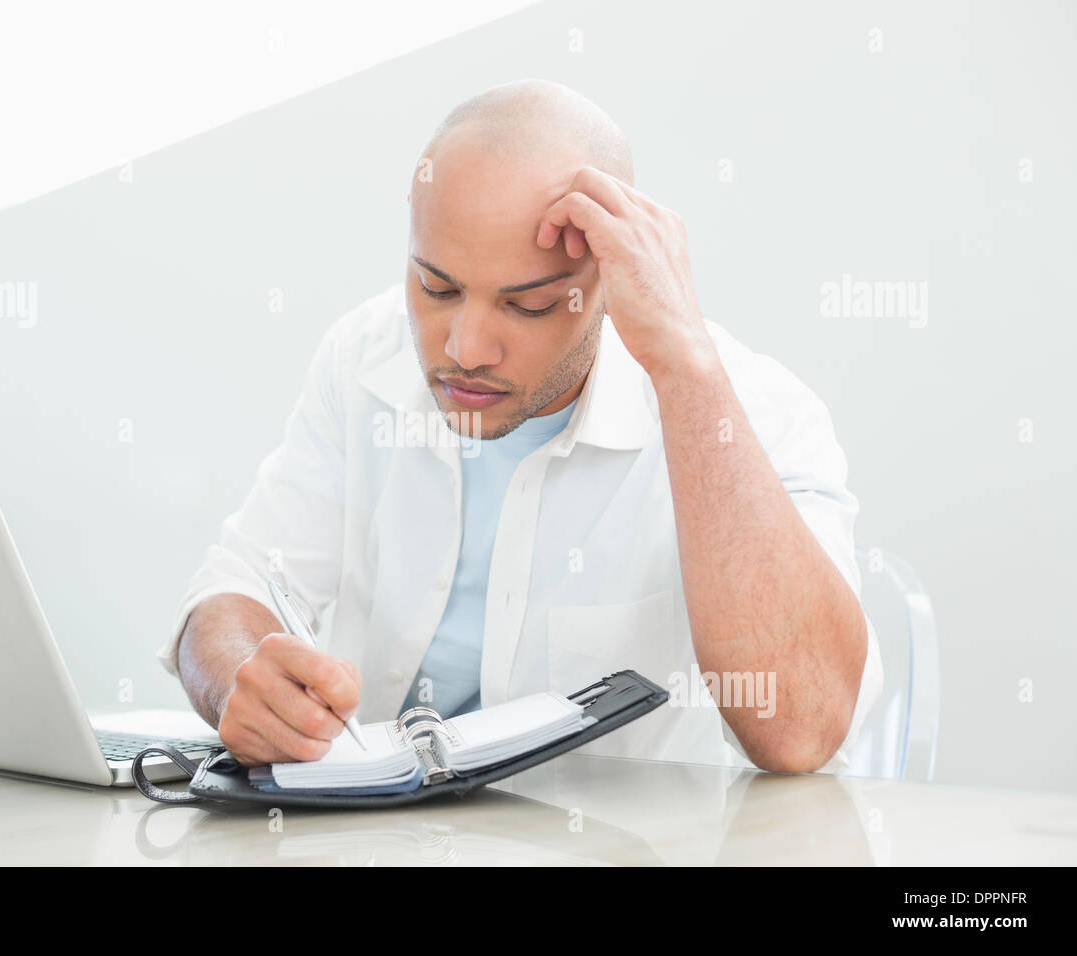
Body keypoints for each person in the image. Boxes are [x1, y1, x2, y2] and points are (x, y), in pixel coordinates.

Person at [158, 78, 882, 773]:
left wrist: (686, 369)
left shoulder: (748, 412)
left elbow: (803, 730)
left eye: (528, 306)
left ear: (611, 279)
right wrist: (238, 682)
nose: (465, 348)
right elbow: (235, 585)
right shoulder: (363, 357)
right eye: (437, 288)